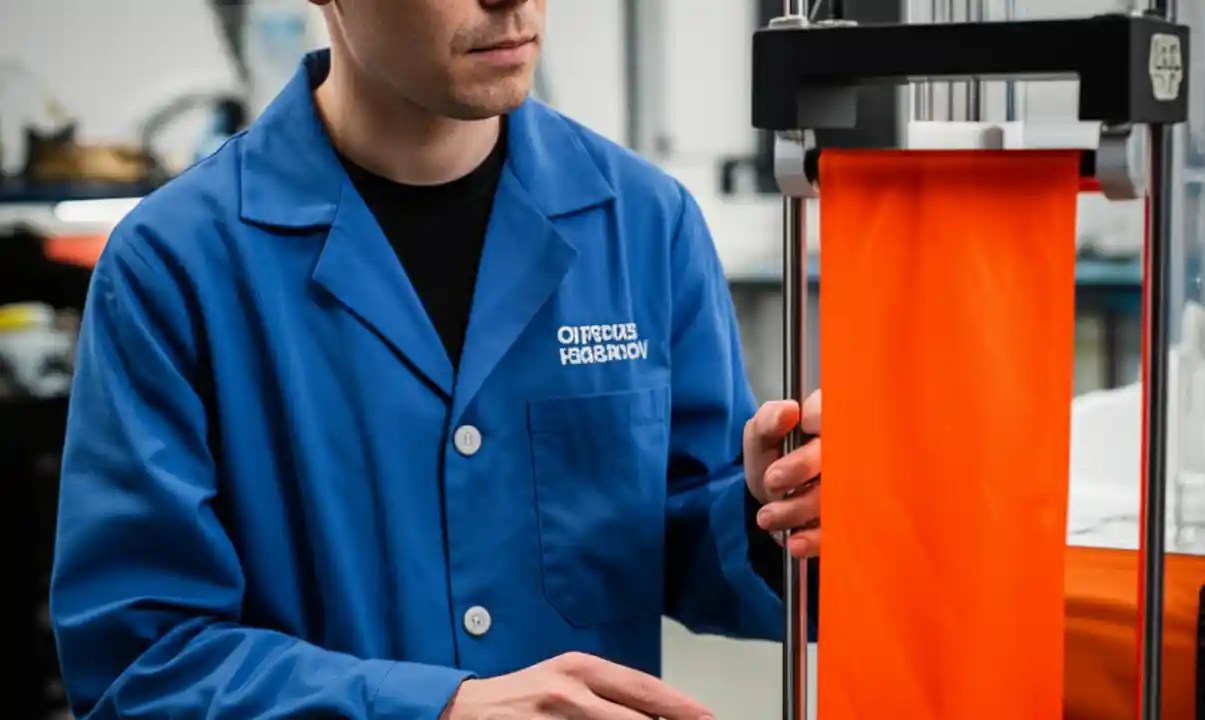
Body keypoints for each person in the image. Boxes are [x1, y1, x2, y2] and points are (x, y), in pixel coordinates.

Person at [49, 1, 823, 718]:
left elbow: (683, 534)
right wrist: (432, 708)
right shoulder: (177, 265)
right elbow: (140, 662)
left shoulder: (644, 224)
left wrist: (775, 511)